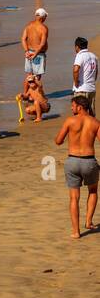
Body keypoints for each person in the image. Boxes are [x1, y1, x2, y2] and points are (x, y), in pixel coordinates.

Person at [54, 96, 100, 238]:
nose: (71, 108)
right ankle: (88, 221)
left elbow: (58, 141)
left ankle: (75, 232)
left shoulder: (70, 121)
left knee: (74, 198)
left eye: (73, 106)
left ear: (80, 107)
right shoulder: (95, 122)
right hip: (89, 161)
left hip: (72, 161)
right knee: (93, 191)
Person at [21, 8, 49, 96]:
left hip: (29, 52)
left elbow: (23, 39)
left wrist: (26, 51)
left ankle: (25, 94)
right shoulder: (44, 28)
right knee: (37, 77)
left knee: (29, 76)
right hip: (38, 54)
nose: (45, 18)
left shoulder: (29, 25)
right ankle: (36, 95)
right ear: (42, 17)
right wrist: (35, 54)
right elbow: (42, 44)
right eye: (45, 17)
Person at [73, 37, 98, 109]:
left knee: (79, 113)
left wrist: (76, 82)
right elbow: (96, 72)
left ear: (77, 47)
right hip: (91, 89)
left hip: (82, 89)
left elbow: (76, 70)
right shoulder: (93, 56)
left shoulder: (80, 55)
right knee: (91, 115)